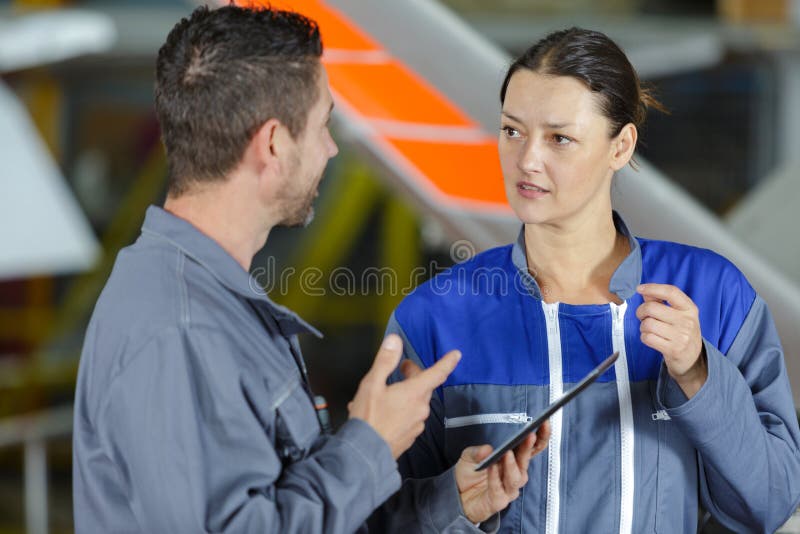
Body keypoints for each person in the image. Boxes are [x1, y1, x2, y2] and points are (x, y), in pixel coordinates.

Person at [71, 5, 549, 533]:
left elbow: (293, 510)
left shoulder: (206, 306)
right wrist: (369, 442)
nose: (331, 147)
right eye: (324, 124)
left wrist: (450, 503)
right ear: (273, 144)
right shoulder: (179, 332)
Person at [387, 27, 800, 533]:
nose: (527, 159)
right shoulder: (435, 317)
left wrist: (697, 375)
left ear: (621, 146)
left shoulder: (714, 297)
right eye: (513, 130)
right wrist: (454, 503)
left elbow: (770, 505)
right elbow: (377, 516)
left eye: (559, 138)